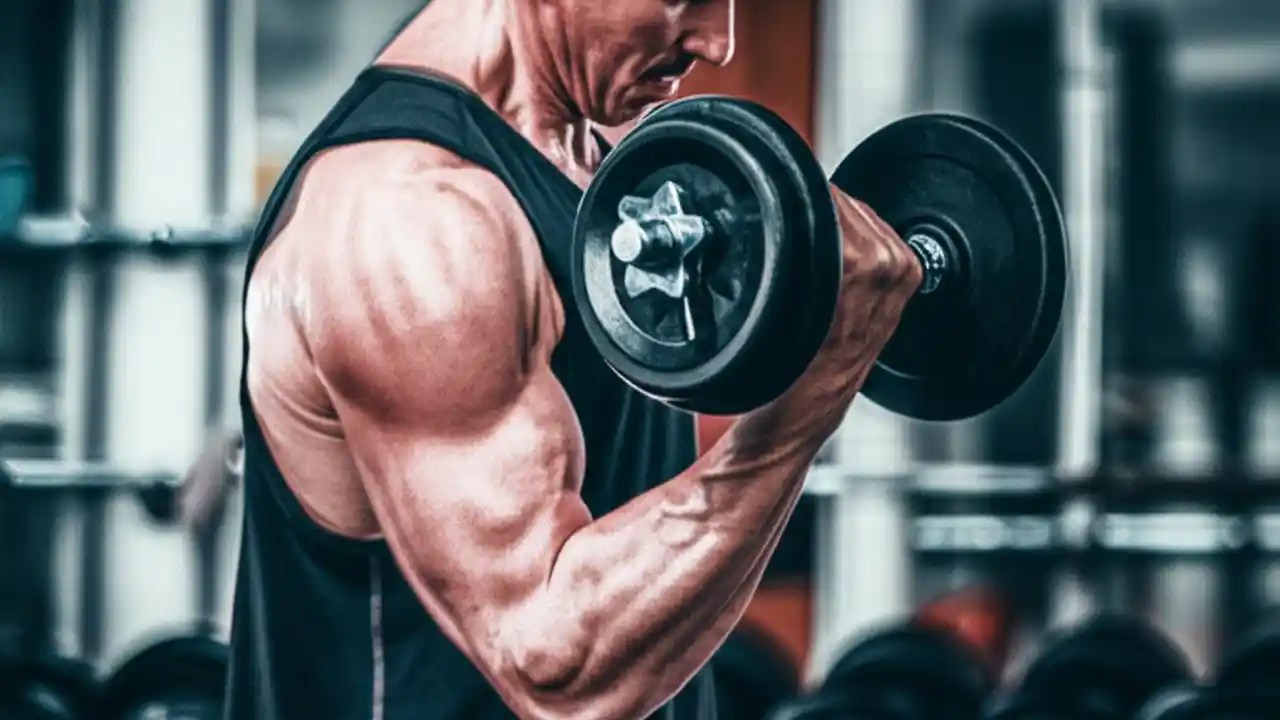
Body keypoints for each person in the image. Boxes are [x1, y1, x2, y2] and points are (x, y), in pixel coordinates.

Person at [226, 0, 921, 718]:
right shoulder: (413, 223)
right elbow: (554, 665)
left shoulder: (595, 159)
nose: (717, 43)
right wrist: (806, 401)